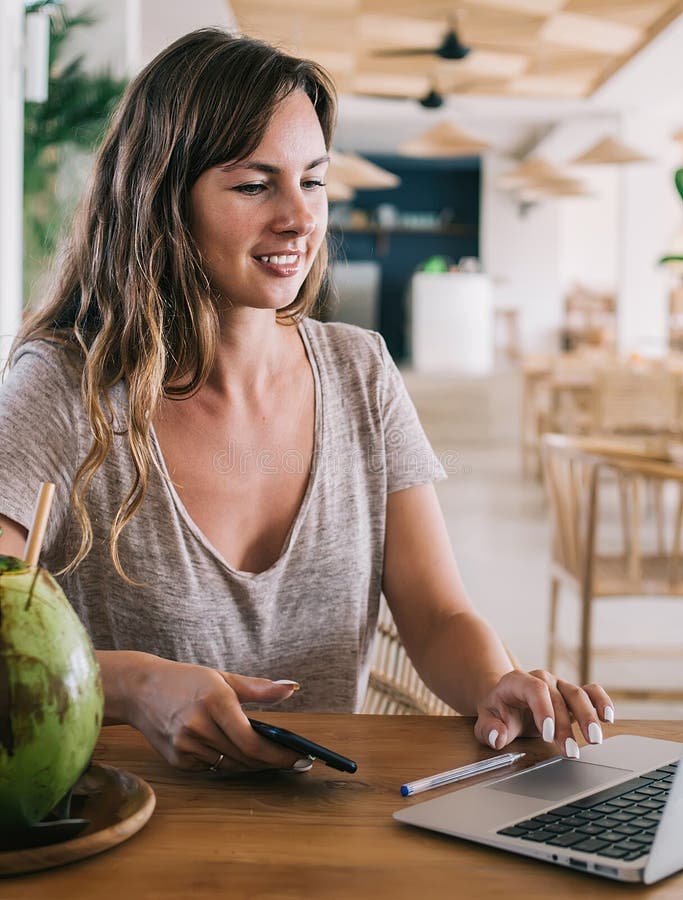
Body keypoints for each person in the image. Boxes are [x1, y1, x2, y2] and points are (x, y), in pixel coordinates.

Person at [0, 29, 614, 775]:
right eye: (255, 185)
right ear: (161, 200)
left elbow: (436, 613)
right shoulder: (65, 388)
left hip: (330, 829)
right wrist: (128, 686)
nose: (300, 218)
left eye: (313, 180)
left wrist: (496, 683)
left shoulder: (362, 371)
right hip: (123, 828)